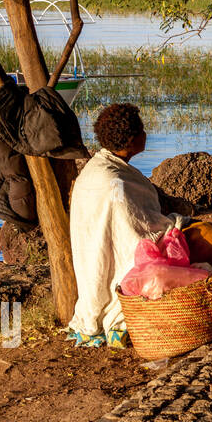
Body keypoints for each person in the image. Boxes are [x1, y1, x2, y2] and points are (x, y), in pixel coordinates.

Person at [69, 104, 176, 348]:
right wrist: (174, 226)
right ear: (131, 140)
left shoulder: (99, 168)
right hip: (114, 268)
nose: (146, 135)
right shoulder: (114, 180)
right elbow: (136, 235)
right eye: (142, 130)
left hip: (94, 268)